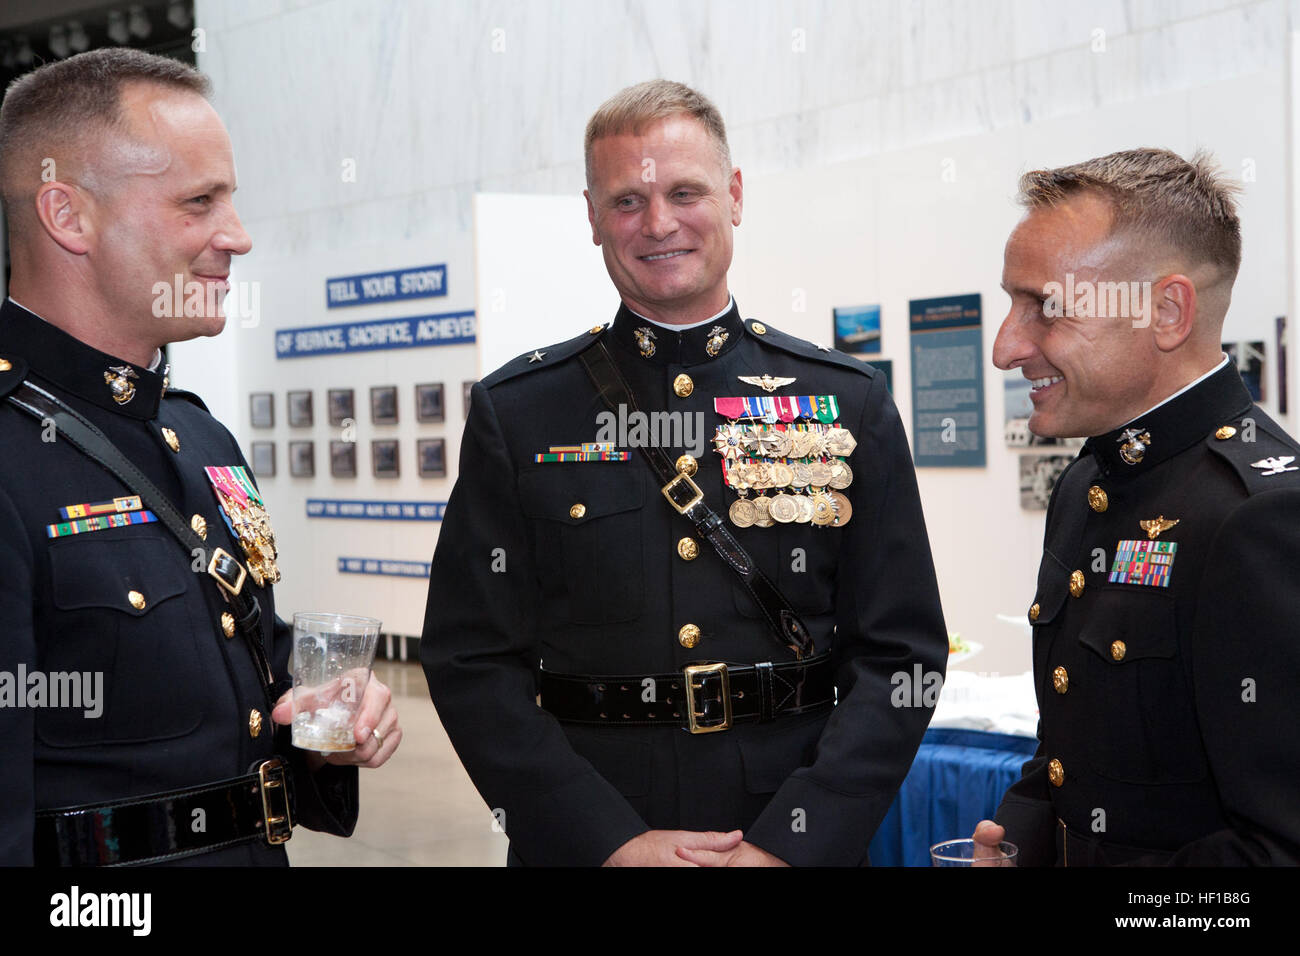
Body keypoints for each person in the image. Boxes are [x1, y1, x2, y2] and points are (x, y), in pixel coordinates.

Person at [421, 79, 947, 866]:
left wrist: (796, 840)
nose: (658, 223)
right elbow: (470, 661)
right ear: (593, 218)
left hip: (783, 823)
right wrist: (603, 840)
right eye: (627, 201)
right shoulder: (520, 412)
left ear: (734, 196)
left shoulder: (846, 401)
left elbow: (902, 659)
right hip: (593, 832)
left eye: (685, 192)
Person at [0, 48, 400, 866]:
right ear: (68, 216)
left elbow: (239, 665)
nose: (238, 237)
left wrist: (325, 714)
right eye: (198, 203)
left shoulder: (195, 435)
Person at [975, 147, 1300, 865]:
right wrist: (1020, 842)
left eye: (1047, 308)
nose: (1005, 347)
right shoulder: (1088, 484)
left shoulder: (1260, 517)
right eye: (1010, 303)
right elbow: (1075, 745)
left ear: (1166, 311)